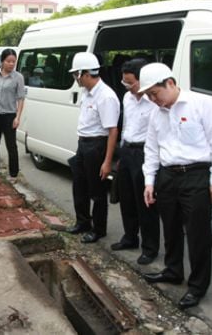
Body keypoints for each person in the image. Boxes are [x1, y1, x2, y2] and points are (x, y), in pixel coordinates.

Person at [140, 63, 212, 310]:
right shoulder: (156, 113)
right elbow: (151, 148)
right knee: (170, 227)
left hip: (196, 175)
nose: (153, 100)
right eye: (148, 96)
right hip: (168, 176)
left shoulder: (201, 105)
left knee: (197, 233)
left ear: (169, 83)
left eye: (154, 94)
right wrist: (150, 180)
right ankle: (173, 270)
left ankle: (197, 286)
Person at [66, 52, 120, 243]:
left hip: (97, 146)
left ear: (84, 73)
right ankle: (83, 222)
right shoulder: (87, 93)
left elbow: (112, 130)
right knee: (79, 185)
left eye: (76, 75)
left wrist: (107, 161)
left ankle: (99, 229)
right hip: (84, 143)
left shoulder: (106, 96)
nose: (75, 79)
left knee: (96, 191)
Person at [113, 59, 161, 265]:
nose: (128, 88)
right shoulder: (127, 97)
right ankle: (130, 237)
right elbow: (126, 125)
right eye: (125, 83)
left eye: (131, 83)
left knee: (146, 203)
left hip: (144, 153)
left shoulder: (155, 102)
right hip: (127, 150)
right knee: (127, 198)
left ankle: (150, 248)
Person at [0, 48, 26, 178]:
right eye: (8, 61)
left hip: (9, 115)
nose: (11, 64)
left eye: (14, 61)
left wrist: (17, 117)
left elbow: (20, 98)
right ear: (2, 61)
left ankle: (13, 173)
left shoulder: (18, 77)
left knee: (11, 145)